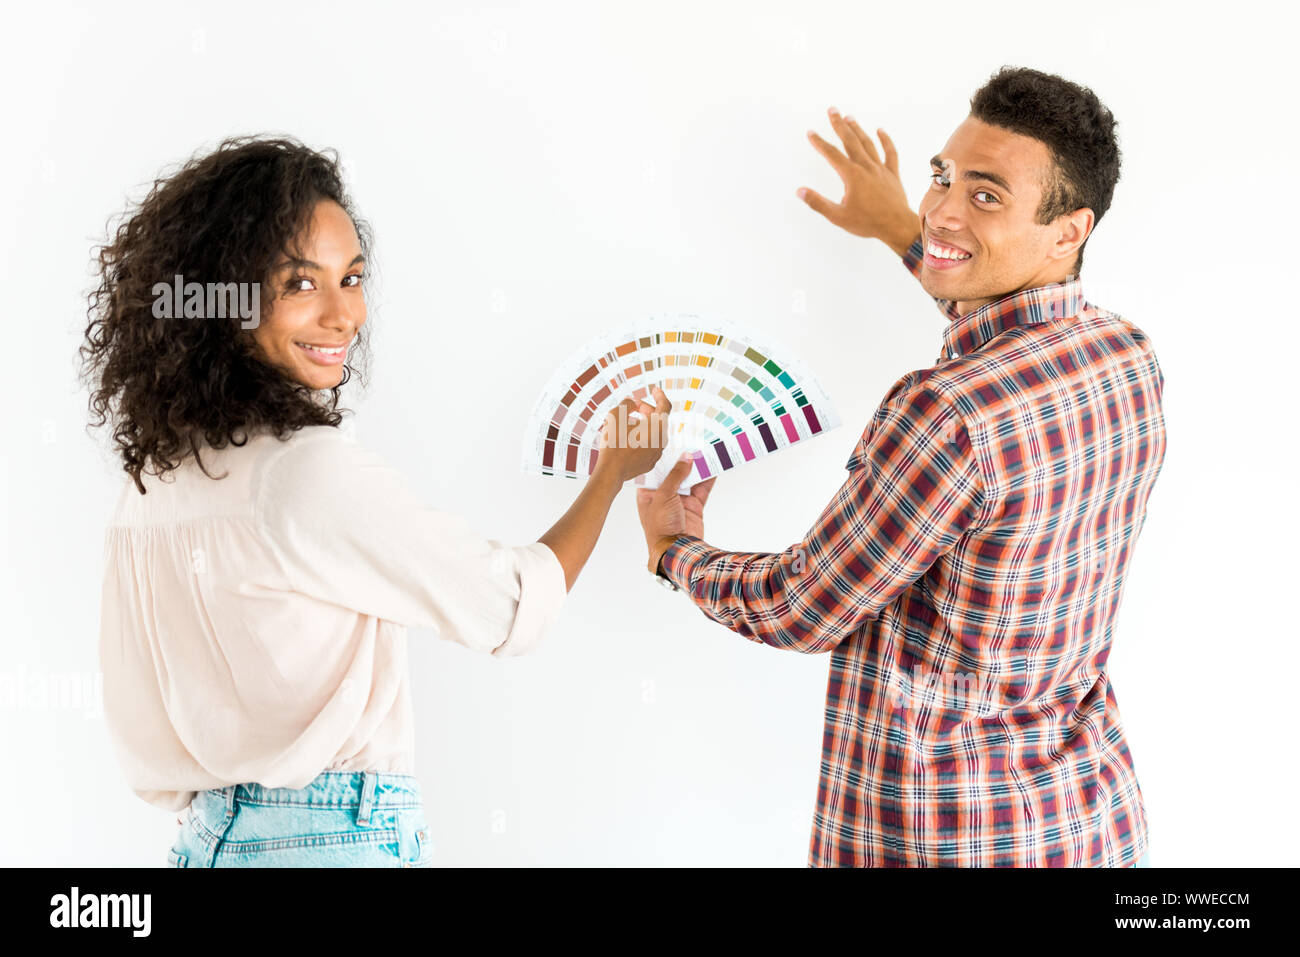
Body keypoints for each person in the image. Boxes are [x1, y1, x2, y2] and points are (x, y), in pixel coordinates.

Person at [82, 136, 671, 867]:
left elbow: (139, 735)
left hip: (205, 843)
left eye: (352, 277)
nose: (342, 315)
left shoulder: (148, 489)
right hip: (332, 840)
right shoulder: (303, 476)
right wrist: (613, 471)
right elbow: (511, 606)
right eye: (300, 283)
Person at [636, 66, 1164, 867]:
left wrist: (676, 549)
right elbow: (1008, 346)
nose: (942, 207)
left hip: (944, 837)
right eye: (941, 176)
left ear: (1069, 231)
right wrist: (911, 236)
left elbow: (802, 605)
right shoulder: (1126, 357)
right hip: (1087, 826)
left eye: (986, 195)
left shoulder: (945, 413)